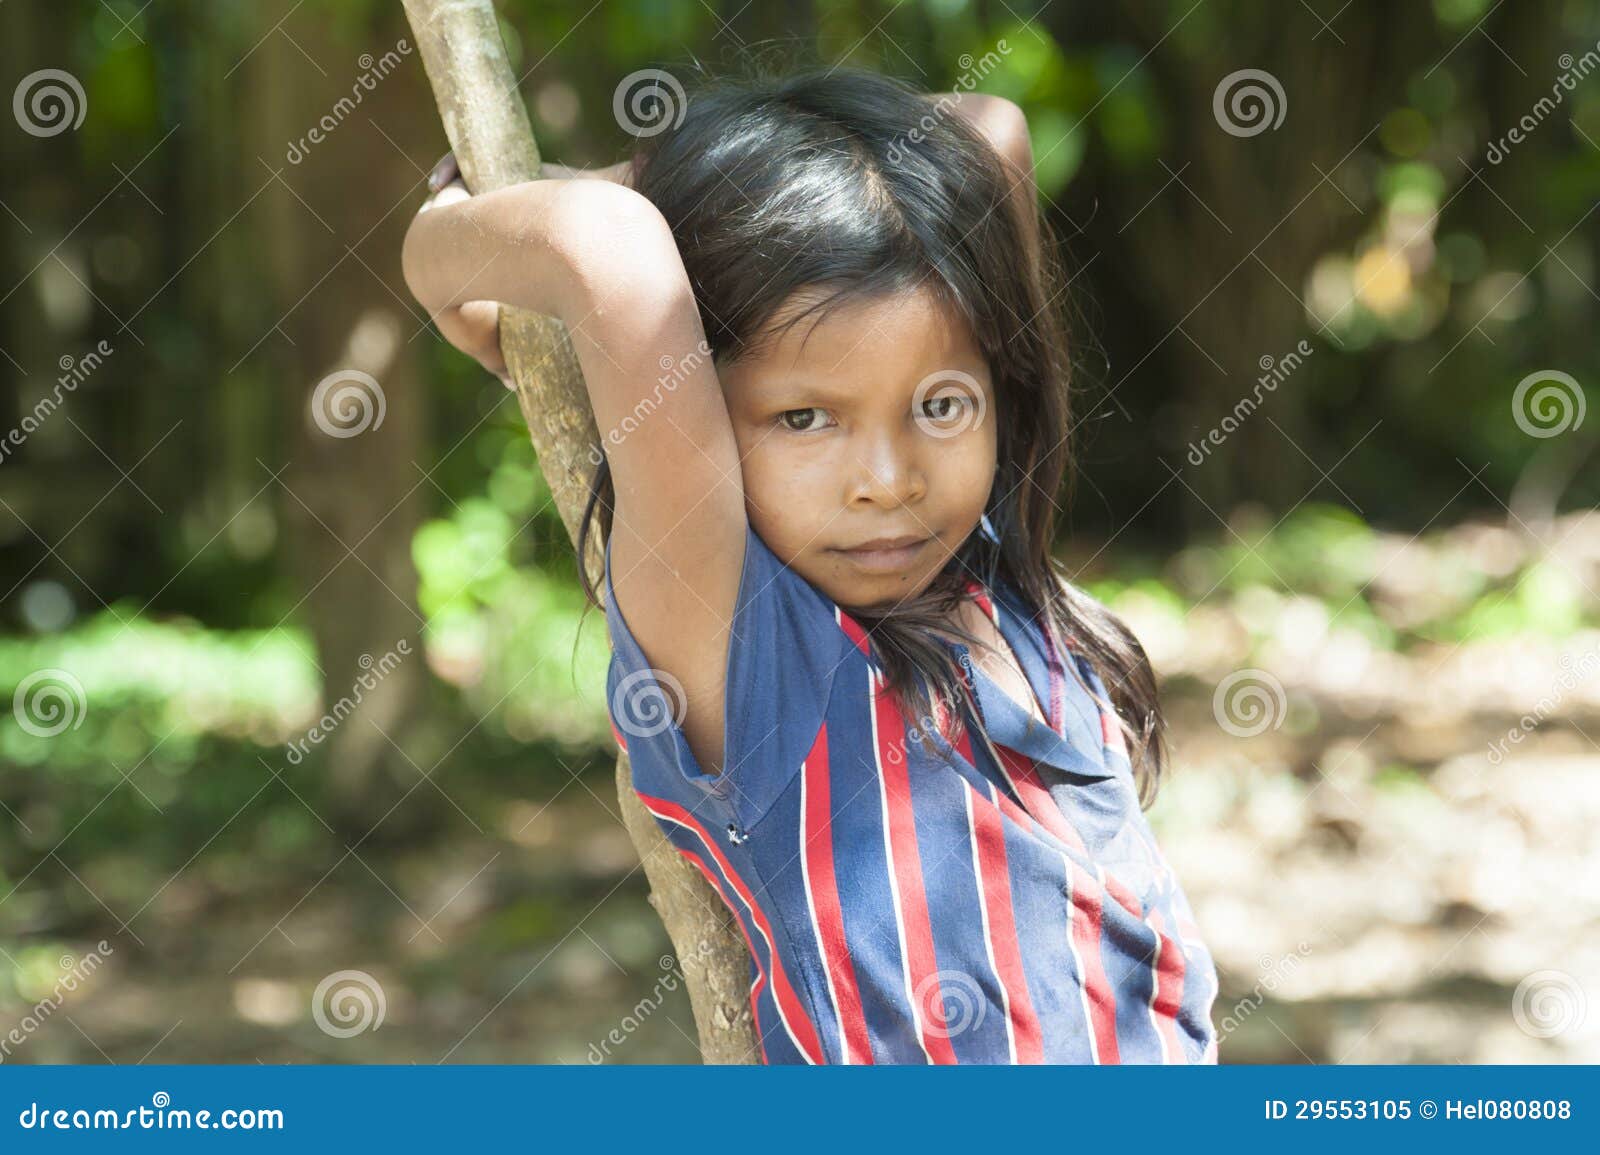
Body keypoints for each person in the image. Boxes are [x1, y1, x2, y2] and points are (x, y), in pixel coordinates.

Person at [403, 64, 1219, 1065]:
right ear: (703, 408)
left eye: (941, 404)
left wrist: (688, 186)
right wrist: (452, 226)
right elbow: (601, 247)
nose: (888, 480)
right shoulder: (750, 656)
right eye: (803, 418)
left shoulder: (987, 574)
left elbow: (986, 127)